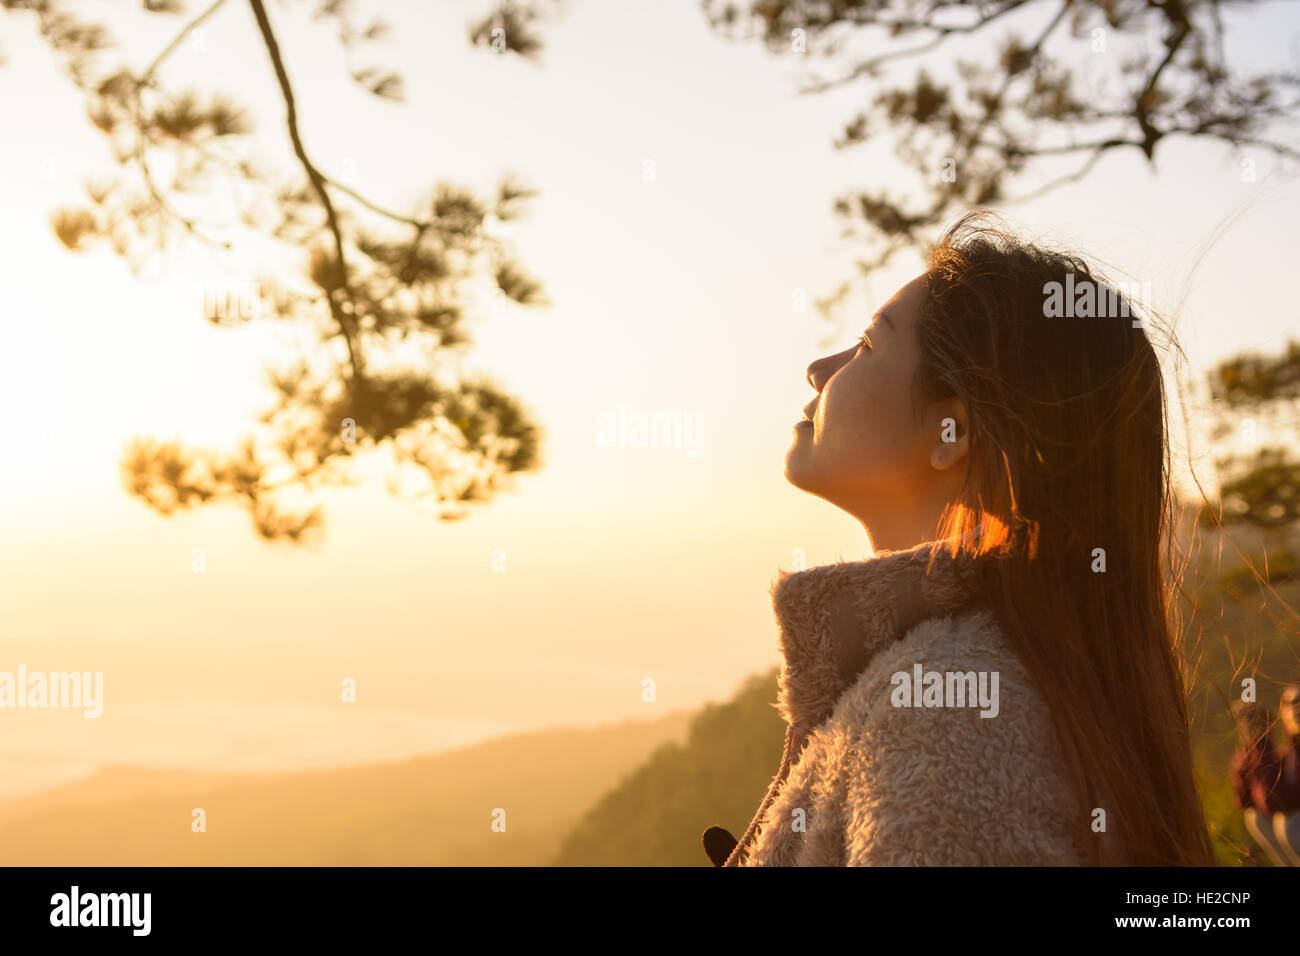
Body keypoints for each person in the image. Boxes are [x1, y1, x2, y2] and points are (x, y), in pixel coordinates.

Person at [704, 212, 1213, 866]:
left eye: (865, 346)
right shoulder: (961, 690)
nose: (817, 369)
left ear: (954, 433)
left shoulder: (942, 719)